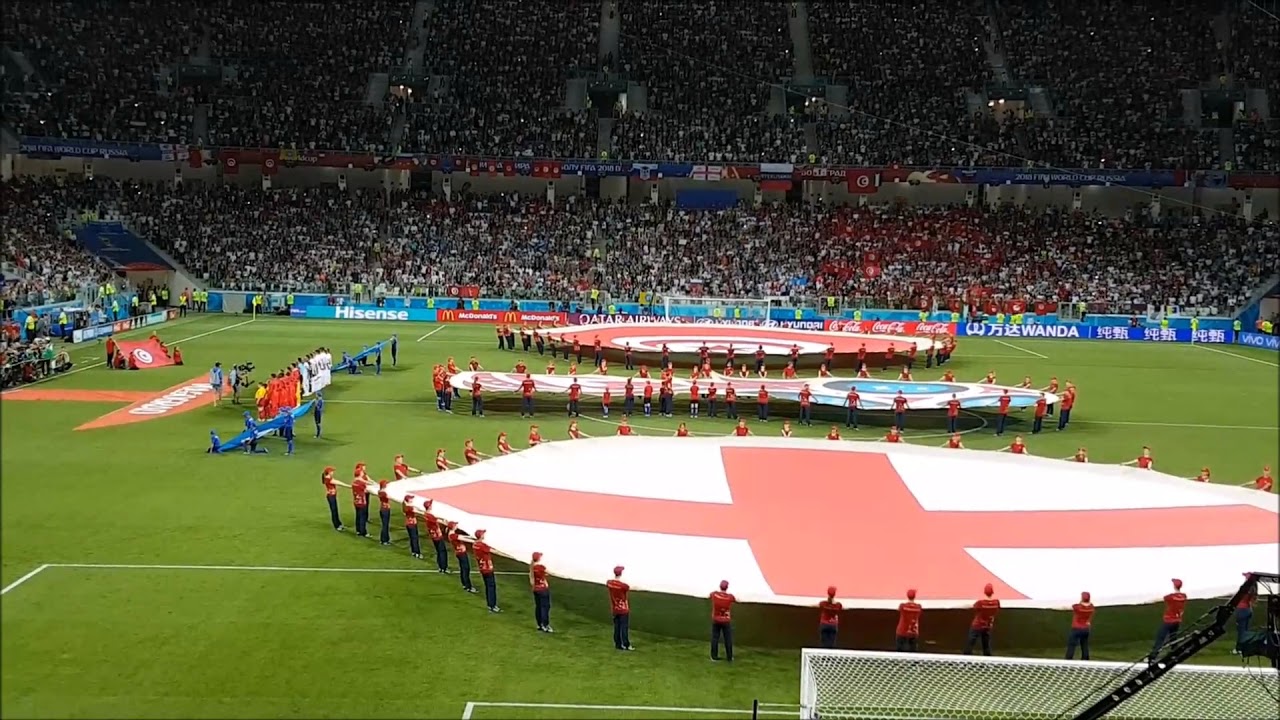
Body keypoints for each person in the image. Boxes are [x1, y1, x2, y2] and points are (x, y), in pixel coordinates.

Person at [1150, 579, 1187, 657]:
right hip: (1177, 620)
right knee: (1173, 638)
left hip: (1168, 620)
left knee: (1161, 637)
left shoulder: (1170, 597)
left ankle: (1153, 655)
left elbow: (1159, 599)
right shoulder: (1184, 596)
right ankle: (1175, 653)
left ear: (1174, 586)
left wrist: (1149, 601)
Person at [964, 583, 1000, 656]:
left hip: (977, 625)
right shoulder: (996, 602)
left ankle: (966, 658)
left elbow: (974, 607)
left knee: (970, 643)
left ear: (984, 592)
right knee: (986, 644)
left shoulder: (981, 603)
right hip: (987, 626)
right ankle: (987, 658)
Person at [607, 566, 634, 650]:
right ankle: (626, 644)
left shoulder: (609, 583)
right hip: (623, 609)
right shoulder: (623, 586)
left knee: (617, 627)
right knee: (624, 627)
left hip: (615, 608)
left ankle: (618, 644)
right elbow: (628, 588)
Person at [474, 529, 500, 612]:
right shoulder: (482, 545)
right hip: (488, 568)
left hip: (482, 568)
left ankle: (490, 604)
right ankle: (493, 605)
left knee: (487, 586)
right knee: (491, 587)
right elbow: (493, 551)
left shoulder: (475, 544)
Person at [710, 580, 736, 662]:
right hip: (726, 620)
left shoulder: (714, 594)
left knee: (715, 638)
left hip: (716, 620)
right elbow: (735, 599)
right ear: (727, 587)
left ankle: (714, 656)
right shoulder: (730, 597)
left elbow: (709, 595)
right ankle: (729, 657)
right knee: (728, 639)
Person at [448, 521, 476, 593]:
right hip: (461, 554)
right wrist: (476, 541)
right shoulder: (453, 535)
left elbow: (462, 537)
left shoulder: (452, 534)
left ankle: (464, 584)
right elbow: (464, 539)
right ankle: (468, 586)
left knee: (463, 569)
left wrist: (471, 537)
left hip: (459, 553)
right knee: (466, 569)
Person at [1066, 591, 1094, 660]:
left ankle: (1068, 659)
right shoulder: (1091, 608)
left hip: (1076, 628)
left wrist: (1081, 602)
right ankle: (1085, 659)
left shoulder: (1077, 607)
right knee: (1084, 645)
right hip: (1086, 629)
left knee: (1071, 644)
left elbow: (1072, 607)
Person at [424, 499, 449, 573]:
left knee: (439, 551)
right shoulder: (430, 516)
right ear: (429, 507)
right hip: (437, 536)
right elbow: (438, 521)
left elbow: (436, 518)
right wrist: (446, 522)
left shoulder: (426, 514)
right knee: (442, 551)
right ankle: (444, 567)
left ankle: (440, 567)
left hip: (433, 535)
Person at [531, 551, 553, 632]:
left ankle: (539, 624)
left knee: (538, 607)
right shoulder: (541, 567)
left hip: (536, 589)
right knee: (545, 607)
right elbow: (549, 573)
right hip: (543, 589)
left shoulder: (533, 568)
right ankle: (545, 625)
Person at [321, 465, 343, 531]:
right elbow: (338, 482)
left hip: (332, 496)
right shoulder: (328, 479)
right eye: (332, 471)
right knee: (334, 510)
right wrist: (349, 486)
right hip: (331, 497)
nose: (333, 472)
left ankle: (338, 523)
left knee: (335, 510)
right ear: (329, 472)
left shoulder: (329, 478)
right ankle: (336, 525)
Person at [351, 471, 370, 538]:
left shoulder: (354, 482)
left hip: (356, 501)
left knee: (358, 516)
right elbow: (366, 490)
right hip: (362, 502)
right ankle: (363, 532)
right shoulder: (361, 483)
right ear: (359, 474)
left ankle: (358, 530)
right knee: (362, 517)